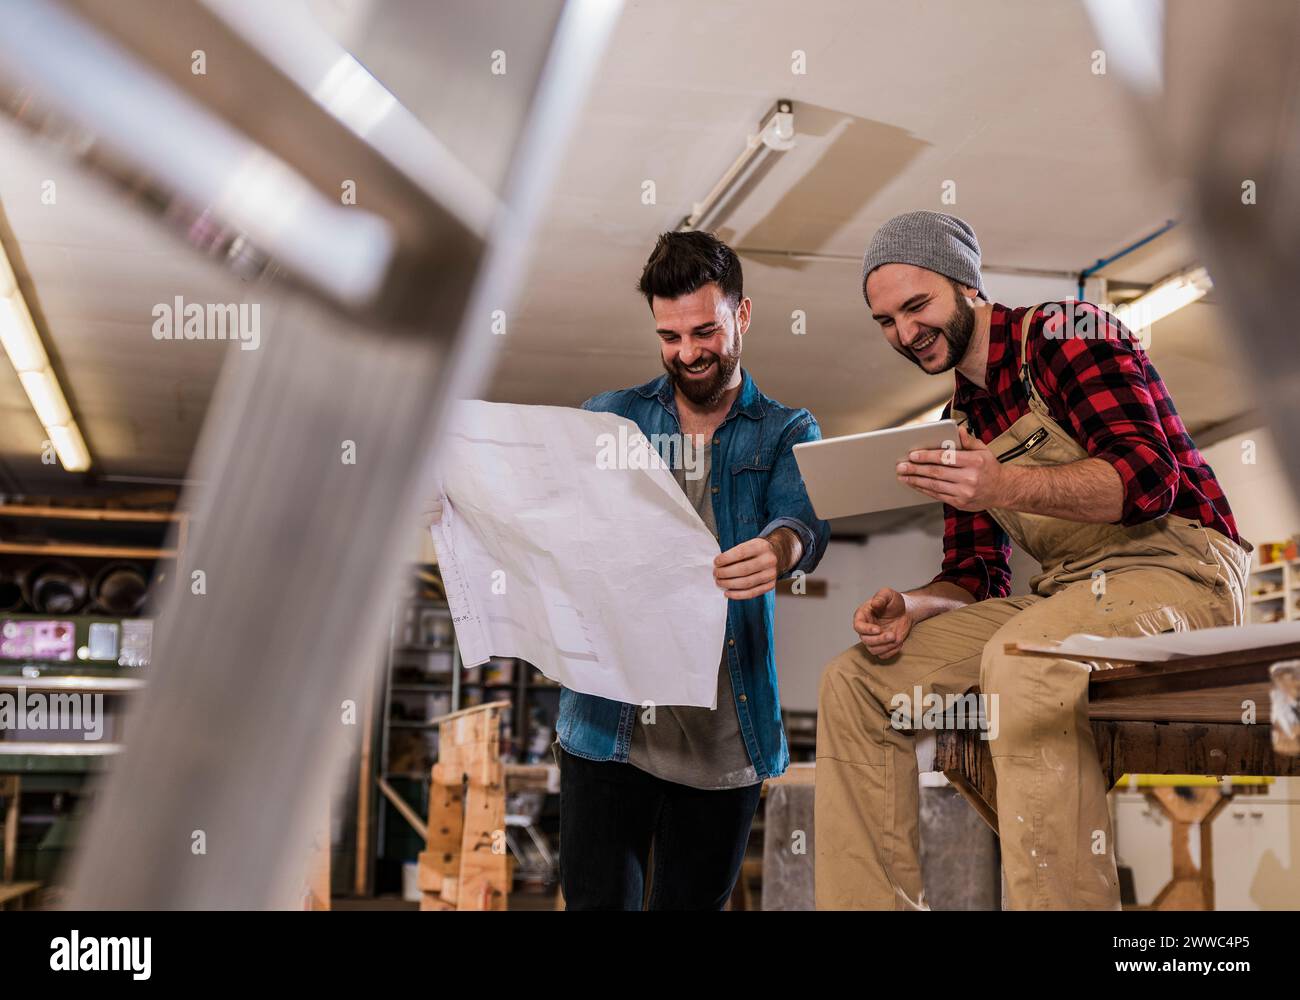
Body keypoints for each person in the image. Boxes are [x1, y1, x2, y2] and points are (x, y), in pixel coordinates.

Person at [815, 210, 1249, 910]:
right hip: (1070, 592)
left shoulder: (1068, 333)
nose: (903, 333)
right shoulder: (959, 417)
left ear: (967, 286)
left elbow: (1148, 479)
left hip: (1181, 570)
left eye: (916, 305)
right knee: (856, 680)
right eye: (886, 320)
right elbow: (976, 575)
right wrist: (914, 604)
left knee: (1022, 658)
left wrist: (1003, 482)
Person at [552, 229, 829, 909]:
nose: (689, 352)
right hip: (607, 727)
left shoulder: (787, 431)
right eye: (670, 337)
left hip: (722, 740)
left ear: (743, 313)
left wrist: (778, 550)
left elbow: (803, 521)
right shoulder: (610, 419)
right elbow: (550, 512)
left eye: (705, 330)